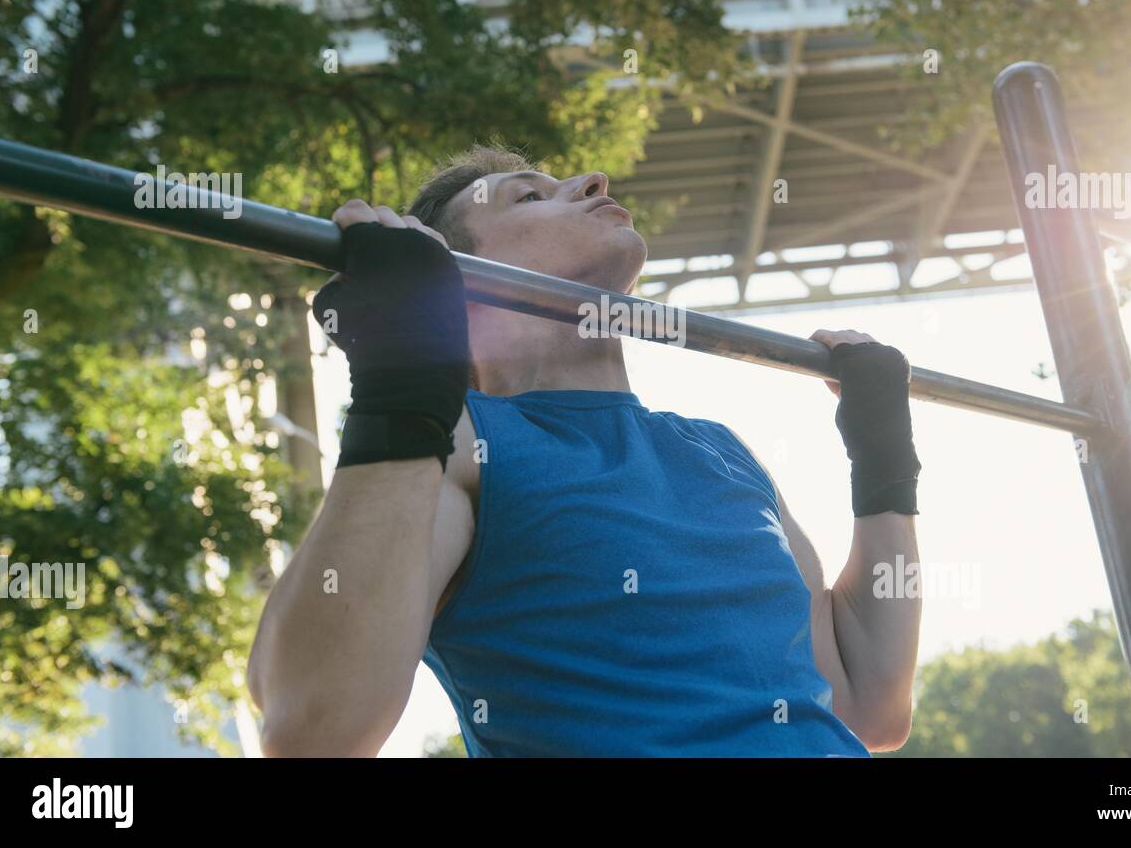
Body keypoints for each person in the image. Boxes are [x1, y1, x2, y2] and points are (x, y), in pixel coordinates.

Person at [247, 147, 923, 757]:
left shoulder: (722, 451)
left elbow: (870, 700)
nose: (593, 179)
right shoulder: (458, 440)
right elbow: (310, 729)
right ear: (465, 280)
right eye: (530, 196)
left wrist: (884, 454)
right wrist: (401, 378)